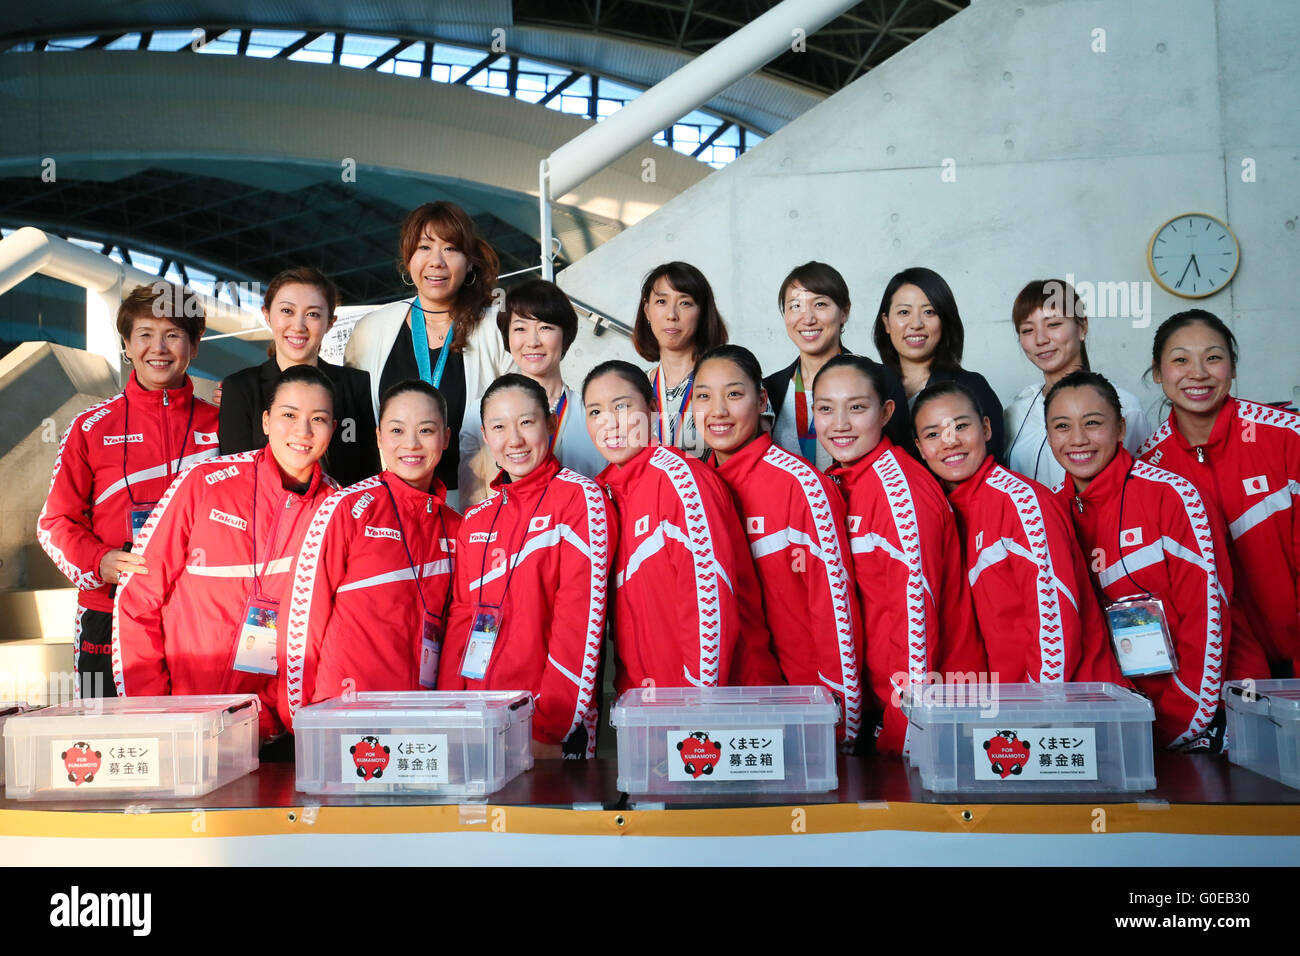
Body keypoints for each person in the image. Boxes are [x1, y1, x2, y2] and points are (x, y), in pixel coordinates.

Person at [113, 366, 339, 739]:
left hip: (265, 733)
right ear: (265, 421)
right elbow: (137, 599)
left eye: (319, 419)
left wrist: (266, 722)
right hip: (175, 723)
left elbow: (327, 637)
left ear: (333, 428)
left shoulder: (338, 510)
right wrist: (153, 710)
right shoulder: (203, 482)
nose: (303, 432)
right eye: (289, 415)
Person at [1046, 370, 1260, 750]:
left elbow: (1208, 619)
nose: (1077, 439)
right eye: (1062, 426)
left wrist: (1182, 723)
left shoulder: (1173, 496)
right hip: (1130, 720)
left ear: (1120, 428)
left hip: (1210, 717)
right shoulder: (1052, 511)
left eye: (1092, 423)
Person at [38, 284, 220, 698]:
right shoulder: (90, 427)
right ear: (126, 343)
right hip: (108, 611)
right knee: (111, 744)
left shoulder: (223, 426)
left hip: (197, 615)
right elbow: (54, 523)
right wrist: (98, 561)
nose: (159, 348)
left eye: (173, 334)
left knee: (199, 747)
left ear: (194, 345)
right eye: (145, 334)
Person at [812, 354, 985, 754]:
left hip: (928, 725)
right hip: (881, 714)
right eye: (826, 409)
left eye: (857, 408)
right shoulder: (839, 479)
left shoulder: (901, 493)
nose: (840, 423)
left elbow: (915, 635)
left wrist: (899, 740)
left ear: (886, 411)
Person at [693, 345, 864, 746]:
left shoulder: (801, 485)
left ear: (762, 399)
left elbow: (834, 610)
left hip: (798, 707)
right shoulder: (692, 487)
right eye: (704, 396)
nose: (718, 410)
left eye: (734, 394)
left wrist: (839, 720)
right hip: (717, 706)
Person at [437, 375, 612, 759]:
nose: (513, 440)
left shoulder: (581, 499)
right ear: (485, 435)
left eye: (527, 422)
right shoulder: (478, 518)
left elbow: (580, 624)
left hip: (546, 728)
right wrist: (452, 711)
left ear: (551, 425)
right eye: (499, 426)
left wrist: (550, 729)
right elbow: (463, 620)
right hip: (478, 723)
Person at [584, 360, 783, 695]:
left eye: (621, 406)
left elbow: (709, 604)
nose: (609, 422)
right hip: (648, 701)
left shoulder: (680, 478)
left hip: (715, 705)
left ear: (651, 409)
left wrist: (697, 705)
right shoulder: (603, 494)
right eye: (595, 412)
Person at [912, 380, 1124, 686]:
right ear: (920, 448)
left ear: (986, 429)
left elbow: (1056, 632)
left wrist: (1035, 717)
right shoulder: (940, 513)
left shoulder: (1022, 502)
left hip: (1066, 706)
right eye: (933, 434)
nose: (949, 442)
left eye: (961, 426)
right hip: (1007, 708)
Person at [1138, 309, 1299, 678]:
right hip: (1221, 677)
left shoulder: (1287, 437)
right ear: (1159, 372)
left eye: (1213, 357)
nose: (1198, 373)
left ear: (1233, 366)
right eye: (1180, 360)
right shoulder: (1149, 466)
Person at [285, 380, 461, 716]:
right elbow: (304, 620)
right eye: (397, 430)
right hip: (346, 710)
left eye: (426, 430)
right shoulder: (348, 508)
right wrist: (299, 714)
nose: (411, 444)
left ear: (446, 439)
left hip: (424, 713)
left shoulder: (457, 527)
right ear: (379, 437)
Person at [344, 201, 513, 506]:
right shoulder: (372, 330)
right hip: (392, 507)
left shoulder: (496, 327)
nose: (436, 261)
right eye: (424, 247)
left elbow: (525, 406)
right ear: (408, 258)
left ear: (471, 261)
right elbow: (350, 419)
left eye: (450, 249)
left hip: (478, 505)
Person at [218, 266, 378, 487]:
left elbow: (367, 474)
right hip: (265, 517)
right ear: (267, 315)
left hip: (342, 514)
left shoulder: (356, 385)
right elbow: (235, 478)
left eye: (313, 314)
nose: (298, 326)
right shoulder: (241, 389)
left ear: (330, 323)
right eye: (287, 311)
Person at [460, 279, 604, 506]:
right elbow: (471, 501)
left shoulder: (592, 414)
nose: (533, 341)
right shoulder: (478, 413)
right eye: (520, 328)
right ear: (507, 337)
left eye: (545, 327)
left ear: (565, 335)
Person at [1004, 278, 1151, 485]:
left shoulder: (1125, 406)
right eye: (1027, 330)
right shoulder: (1015, 414)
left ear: (1082, 326)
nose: (1041, 339)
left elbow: (1143, 486)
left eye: (1053, 324)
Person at [764, 262, 910, 467]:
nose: (808, 319)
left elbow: (903, 460)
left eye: (820, 304)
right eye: (795, 306)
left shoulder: (880, 379)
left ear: (844, 313)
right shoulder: (769, 389)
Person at [874, 267, 1005, 460]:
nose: (916, 324)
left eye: (929, 312)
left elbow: (991, 464)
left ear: (945, 321)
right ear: (886, 323)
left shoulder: (972, 388)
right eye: (904, 312)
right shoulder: (872, 388)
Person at [631, 262, 728, 459]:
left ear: (702, 313)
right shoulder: (634, 388)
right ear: (647, 311)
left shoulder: (731, 380)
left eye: (685, 303)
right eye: (661, 302)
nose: (672, 315)